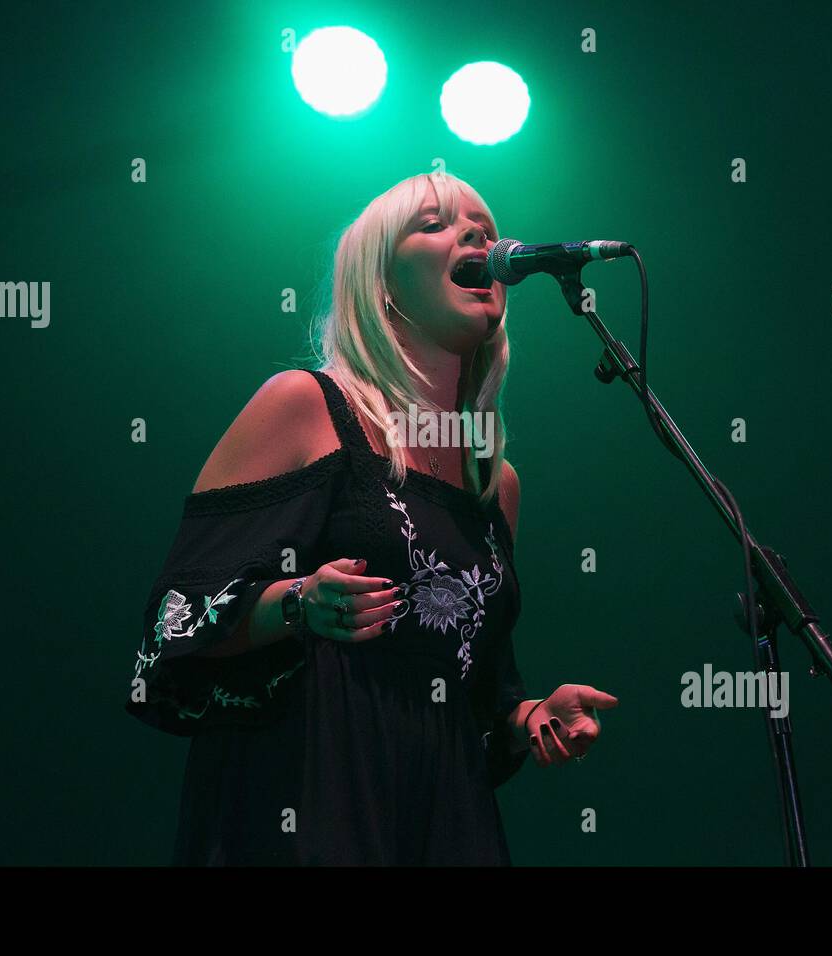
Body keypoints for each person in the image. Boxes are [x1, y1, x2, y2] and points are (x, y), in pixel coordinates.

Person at [125, 170, 619, 865]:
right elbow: (172, 618)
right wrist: (298, 602)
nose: (478, 233)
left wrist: (525, 717)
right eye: (437, 223)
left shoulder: (494, 483)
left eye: (483, 223)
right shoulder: (305, 406)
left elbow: (476, 677)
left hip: (442, 807)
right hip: (309, 784)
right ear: (380, 284)